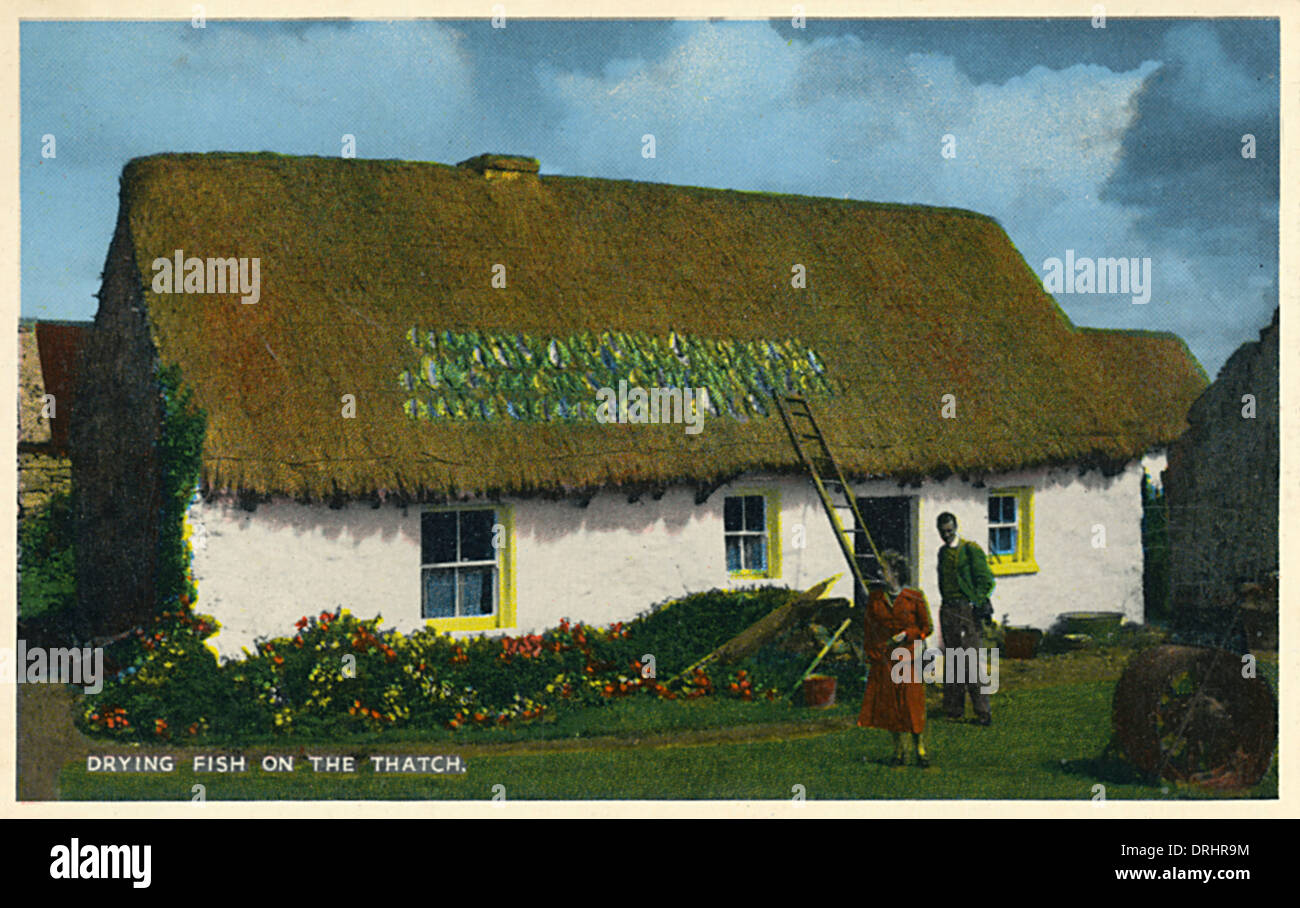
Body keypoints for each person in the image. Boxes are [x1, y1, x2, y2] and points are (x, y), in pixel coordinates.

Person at [858, 551, 934, 767]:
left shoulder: (914, 597)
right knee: (891, 706)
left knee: (912, 704)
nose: (880, 573)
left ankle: (920, 749)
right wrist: (872, 654)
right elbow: (869, 630)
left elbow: (927, 627)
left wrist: (908, 634)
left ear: (897, 572)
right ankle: (899, 751)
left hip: (909, 658)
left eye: (884, 569)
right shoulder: (875, 599)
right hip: (885, 659)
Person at [935, 512, 996, 725]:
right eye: (942, 532)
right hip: (948, 609)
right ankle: (954, 710)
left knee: (970, 661)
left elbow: (986, 581)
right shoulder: (942, 552)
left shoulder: (970, 549)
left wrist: (974, 602)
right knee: (953, 660)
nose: (946, 535)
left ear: (956, 528)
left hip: (965, 610)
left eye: (949, 531)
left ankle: (983, 712)